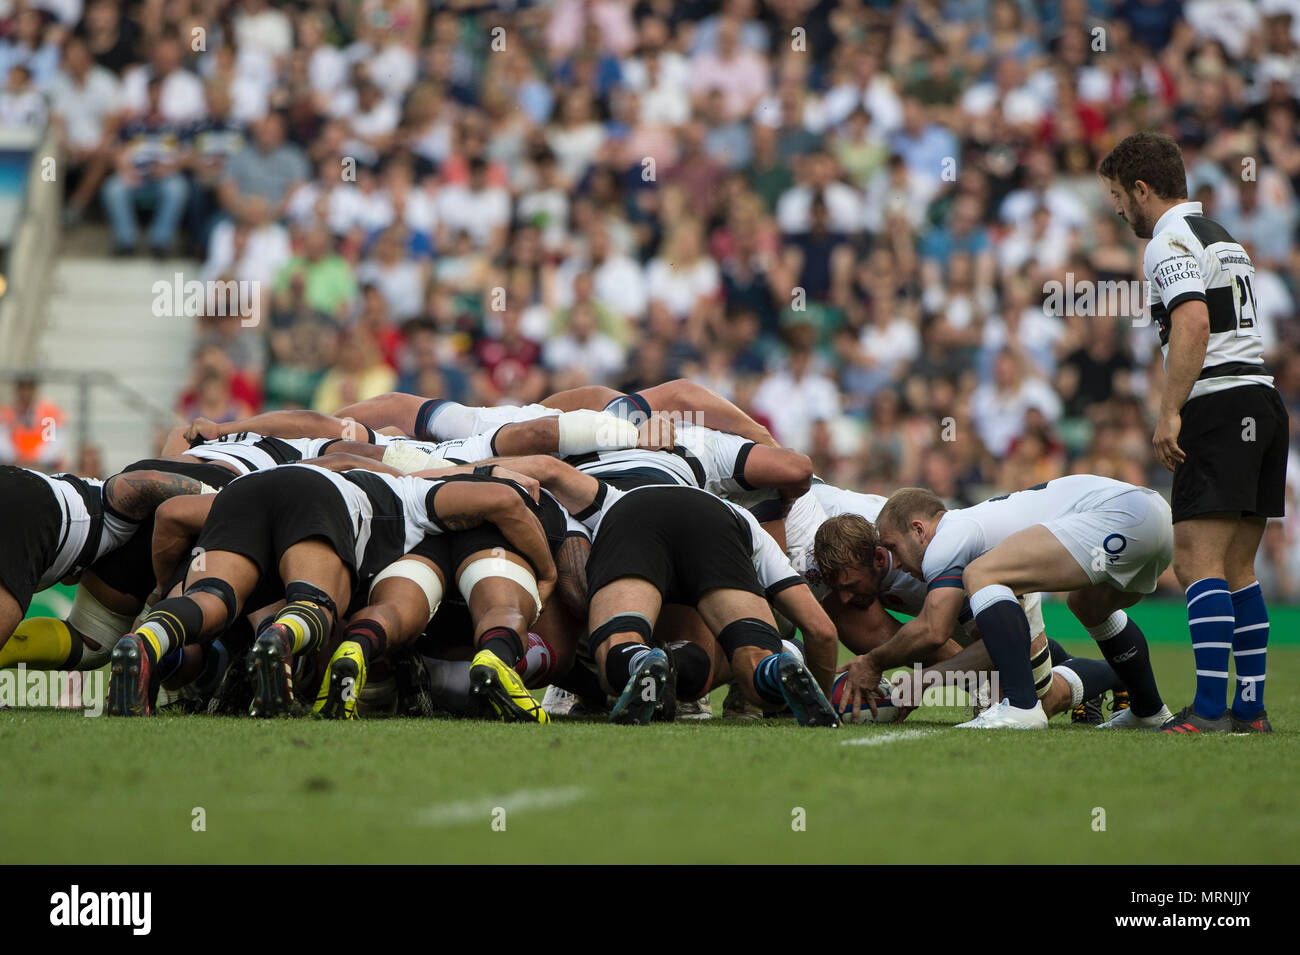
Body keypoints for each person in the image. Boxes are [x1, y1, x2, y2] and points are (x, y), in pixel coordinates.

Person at [1099, 131, 1289, 733]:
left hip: (1218, 403)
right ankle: (1249, 709)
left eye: (1117, 197)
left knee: (1195, 563)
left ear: (1142, 188)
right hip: (1262, 400)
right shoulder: (1223, 237)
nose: (1117, 210)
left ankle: (1208, 710)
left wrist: (1170, 409)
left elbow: (1193, 320)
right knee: (1239, 568)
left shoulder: (1166, 240)